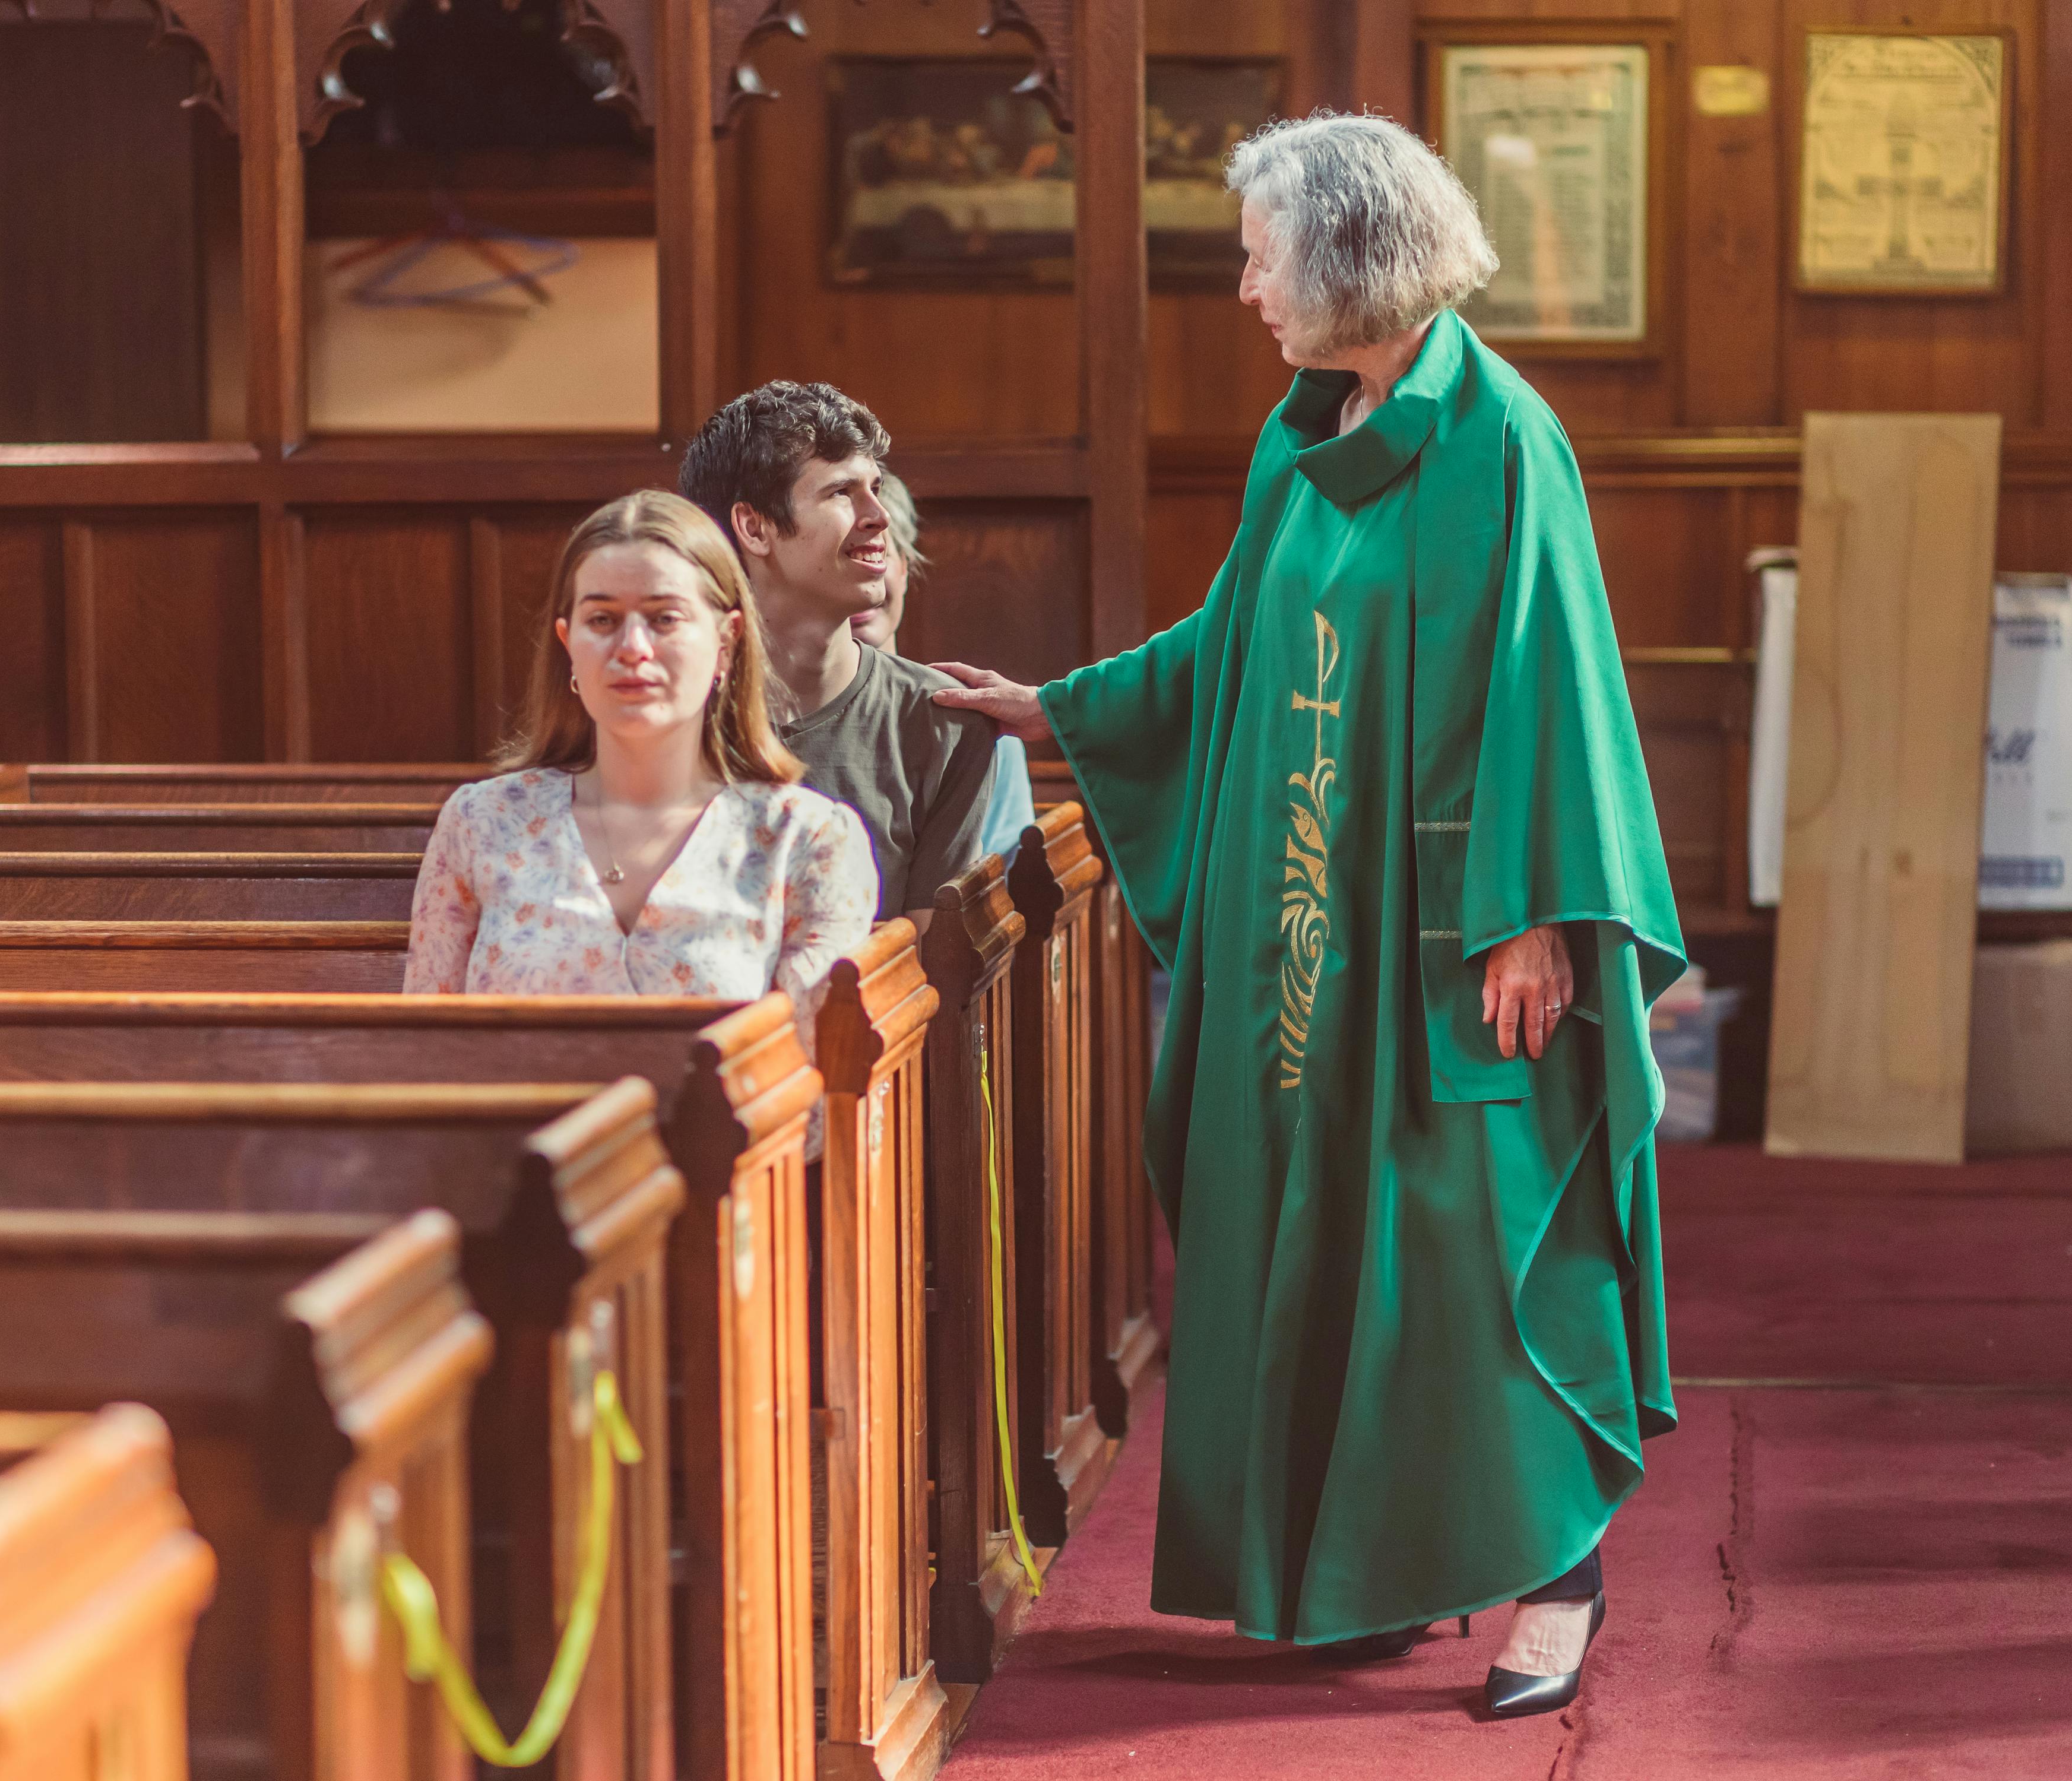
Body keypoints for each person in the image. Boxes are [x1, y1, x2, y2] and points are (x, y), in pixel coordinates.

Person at [932, 113, 1683, 1719]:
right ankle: (1374, 1573)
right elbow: (1233, 640)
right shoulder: (1305, 433)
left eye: (1260, 255)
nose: (1247, 288)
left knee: (1463, 1248)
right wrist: (1052, 713)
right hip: (1300, 935)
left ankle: (1558, 1571)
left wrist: (1533, 916)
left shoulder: (1498, 439)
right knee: (1329, 1247)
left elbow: (1553, 688)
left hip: (1450, 935)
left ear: (1347, 253)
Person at [404, 490, 877, 1032]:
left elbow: (819, 1092)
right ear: (568, 644)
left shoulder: (805, 839)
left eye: (664, 618)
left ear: (727, 641)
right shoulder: (481, 823)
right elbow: (426, 1051)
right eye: (602, 620)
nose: (632, 647)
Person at [680, 381, 999, 926]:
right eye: (840, 493)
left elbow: (926, 977)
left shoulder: (944, 722)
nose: (879, 516)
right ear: (754, 528)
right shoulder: (663, 713)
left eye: (875, 487)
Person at [853, 470, 1039, 863]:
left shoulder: (973, 724)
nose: (861, 584)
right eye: (845, 558)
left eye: (877, 554)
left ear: (904, 567)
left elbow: (1005, 886)